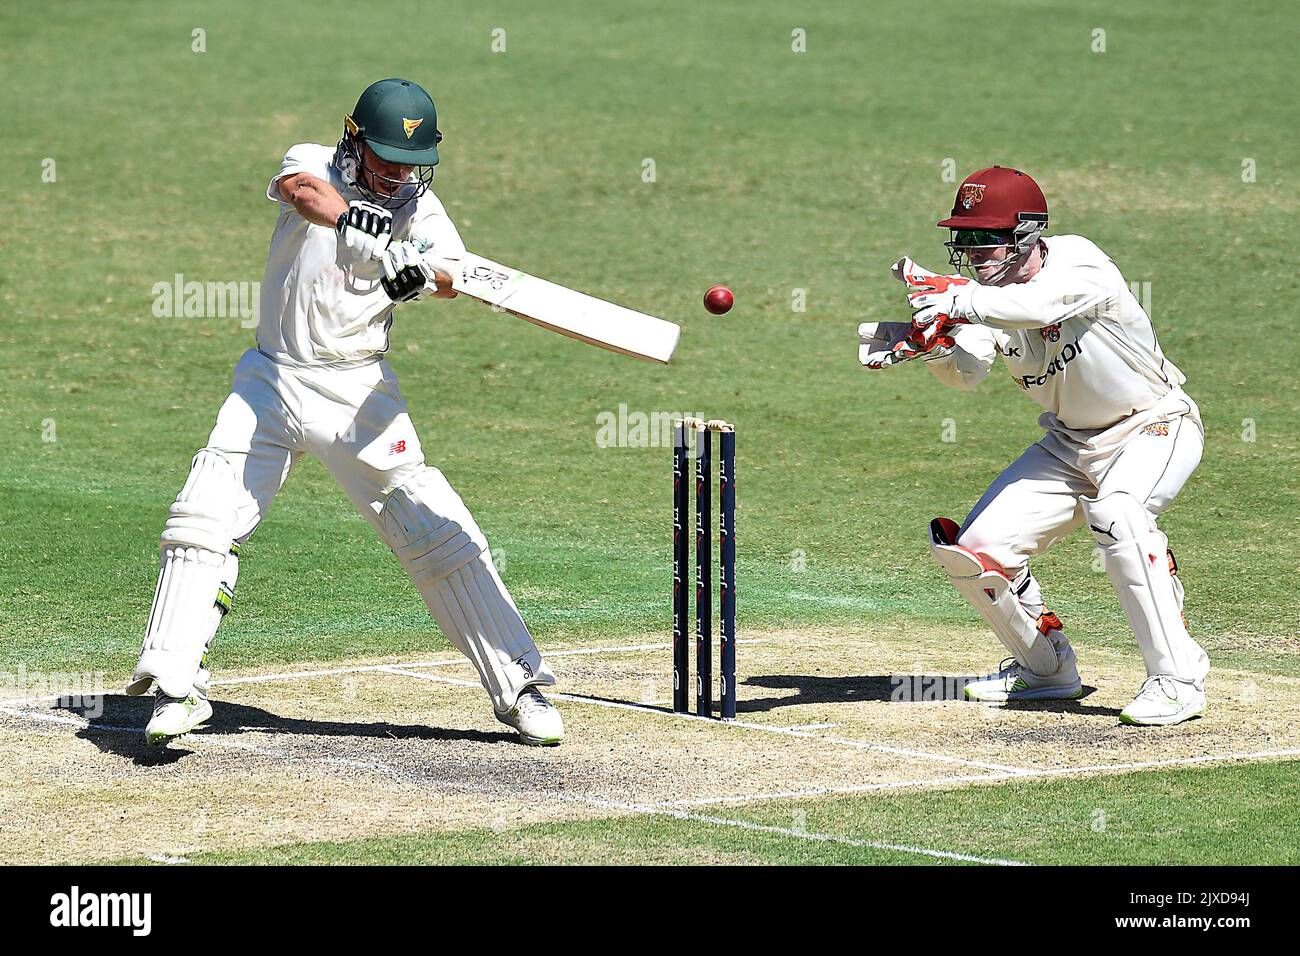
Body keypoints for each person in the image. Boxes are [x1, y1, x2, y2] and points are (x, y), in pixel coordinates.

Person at [127, 78, 564, 746]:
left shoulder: (422, 208)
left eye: (408, 165)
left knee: (435, 534)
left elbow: (454, 273)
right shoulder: (312, 162)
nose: (394, 176)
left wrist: (418, 271)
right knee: (202, 518)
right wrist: (361, 225)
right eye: (383, 158)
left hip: (359, 392)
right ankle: (176, 685)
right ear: (353, 138)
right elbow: (305, 195)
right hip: (271, 378)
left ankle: (519, 686)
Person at [859, 165, 1209, 726]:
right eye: (965, 240)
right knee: (974, 553)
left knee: (1119, 515)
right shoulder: (984, 298)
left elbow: (1041, 307)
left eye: (985, 239)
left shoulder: (1079, 261)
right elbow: (967, 374)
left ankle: (1178, 679)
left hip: (1152, 425)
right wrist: (936, 347)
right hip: (1068, 443)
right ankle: (1045, 670)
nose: (974, 254)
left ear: (1026, 233)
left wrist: (958, 302)